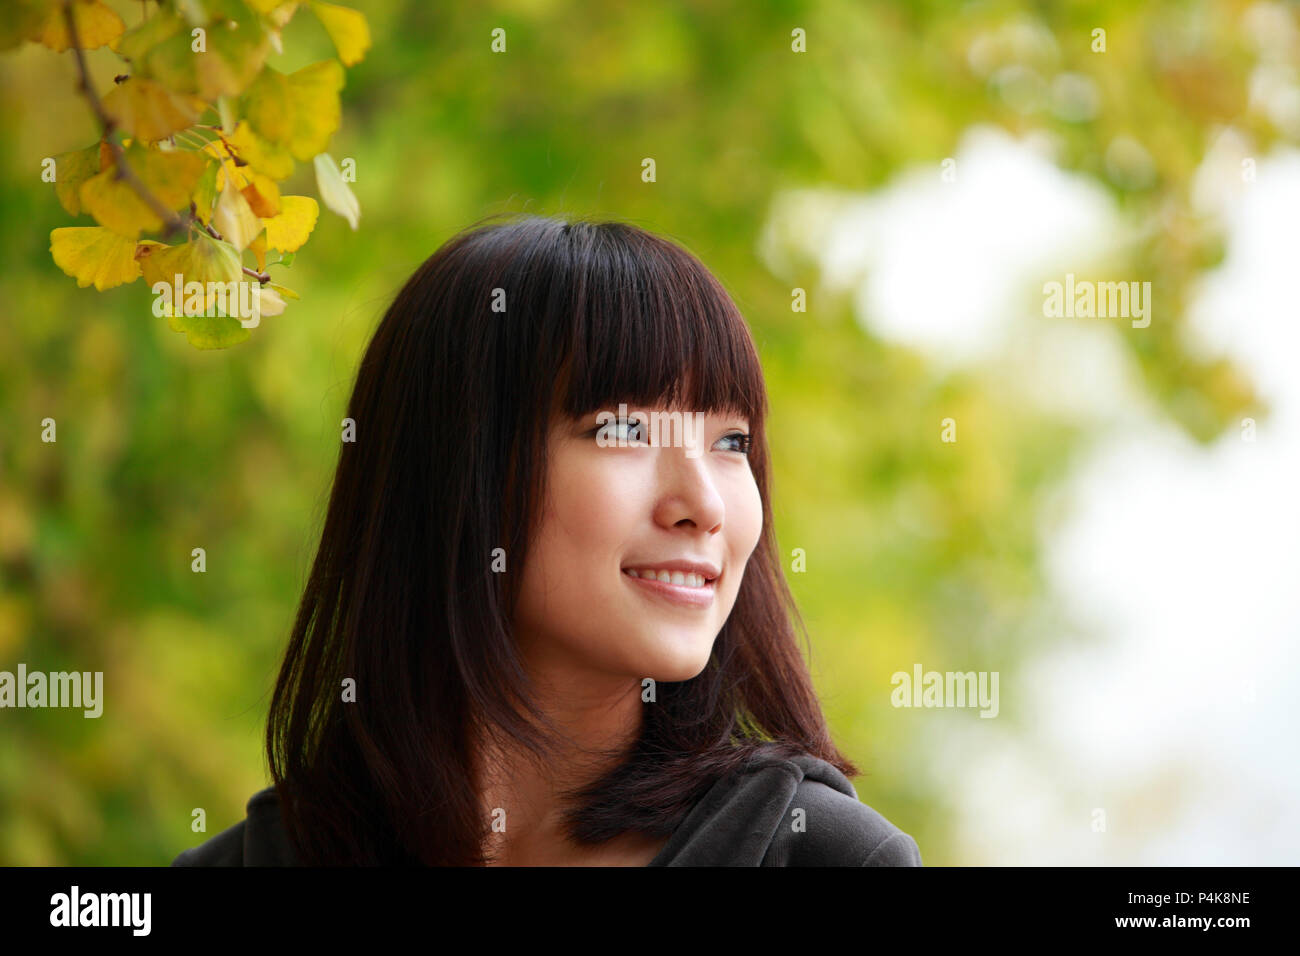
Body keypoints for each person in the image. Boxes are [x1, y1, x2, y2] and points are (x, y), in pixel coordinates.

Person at [172, 214, 922, 866]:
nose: (703, 505)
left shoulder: (823, 857)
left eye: (731, 442)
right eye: (624, 429)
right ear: (457, 467)